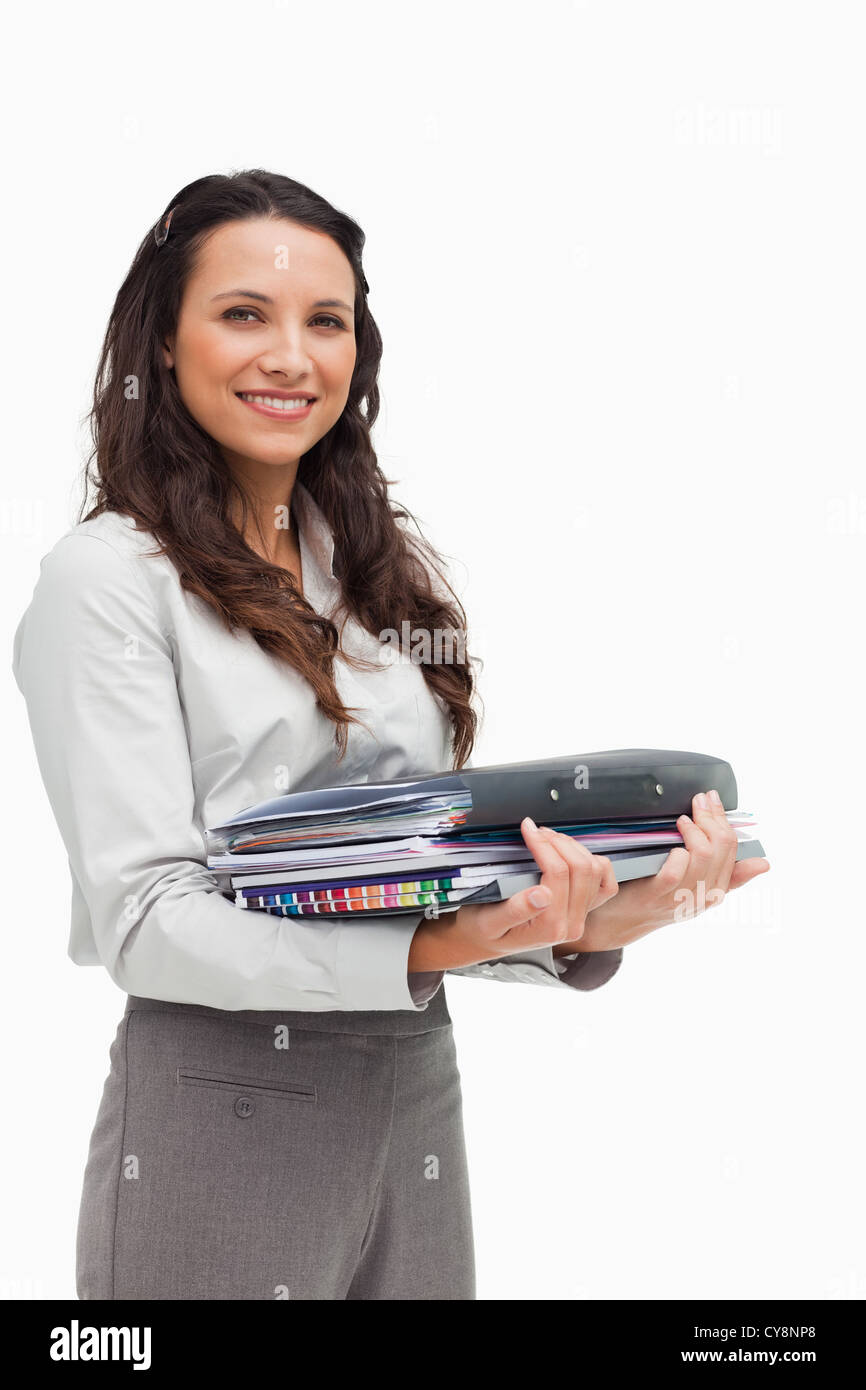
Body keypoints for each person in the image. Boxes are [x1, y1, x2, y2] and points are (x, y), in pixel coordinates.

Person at [11, 170, 770, 1301]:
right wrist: (434, 950)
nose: (292, 355)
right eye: (242, 314)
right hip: (220, 1107)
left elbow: (418, 884)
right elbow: (146, 918)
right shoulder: (108, 581)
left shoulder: (370, 572)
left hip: (412, 1088)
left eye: (327, 321)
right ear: (160, 343)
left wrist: (590, 919)